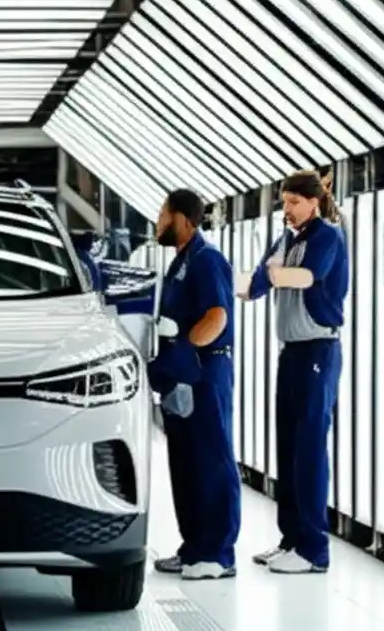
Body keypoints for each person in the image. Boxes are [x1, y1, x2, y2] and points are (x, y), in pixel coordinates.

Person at [239, 169, 348, 574]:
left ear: (314, 202)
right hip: (291, 353)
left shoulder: (327, 236)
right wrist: (239, 282)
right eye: (284, 202)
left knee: (309, 449)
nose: (287, 209)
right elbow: (256, 283)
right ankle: (291, 540)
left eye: (295, 202)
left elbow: (305, 276)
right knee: (287, 447)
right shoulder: (285, 239)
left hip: (319, 350)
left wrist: (272, 273)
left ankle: (314, 550)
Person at [148, 188, 241, 580]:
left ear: (183, 219)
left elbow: (217, 316)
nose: (158, 222)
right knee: (185, 463)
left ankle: (218, 554)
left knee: (211, 458)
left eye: (163, 214)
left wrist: (186, 349)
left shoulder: (207, 259)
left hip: (205, 371)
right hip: (181, 373)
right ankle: (193, 548)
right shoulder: (179, 263)